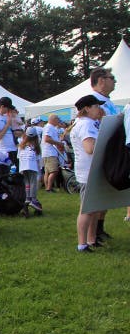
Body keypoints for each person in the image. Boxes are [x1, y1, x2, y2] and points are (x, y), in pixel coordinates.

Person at [70, 95, 105, 252]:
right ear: (87, 108)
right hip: (89, 170)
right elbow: (89, 148)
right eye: (96, 106)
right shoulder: (86, 124)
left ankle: (90, 240)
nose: (100, 109)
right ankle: (82, 243)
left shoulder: (86, 123)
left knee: (94, 208)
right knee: (87, 209)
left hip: (89, 169)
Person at [90, 67, 119, 242]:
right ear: (101, 80)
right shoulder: (94, 102)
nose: (114, 81)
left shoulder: (108, 102)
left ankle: (100, 227)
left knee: (106, 192)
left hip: (111, 151)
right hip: (100, 152)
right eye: (111, 78)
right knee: (98, 193)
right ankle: (94, 232)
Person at [18, 126, 42, 216]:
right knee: (33, 183)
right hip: (32, 167)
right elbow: (38, 160)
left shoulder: (21, 145)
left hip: (23, 167)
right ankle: (33, 199)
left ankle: (28, 197)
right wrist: (40, 171)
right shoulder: (35, 147)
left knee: (27, 182)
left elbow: (19, 157)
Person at [0, 97, 19, 168]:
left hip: (14, 149)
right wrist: (7, 124)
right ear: (2, 107)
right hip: (4, 152)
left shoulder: (6, 116)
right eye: (7, 108)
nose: (8, 110)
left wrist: (15, 116)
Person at [41, 114, 65, 192]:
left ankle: (48, 187)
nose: (58, 121)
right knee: (54, 170)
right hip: (50, 152)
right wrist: (58, 143)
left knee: (47, 171)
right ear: (53, 119)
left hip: (47, 152)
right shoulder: (49, 127)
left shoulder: (49, 127)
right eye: (57, 119)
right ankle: (49, 188)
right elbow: (47, 139)